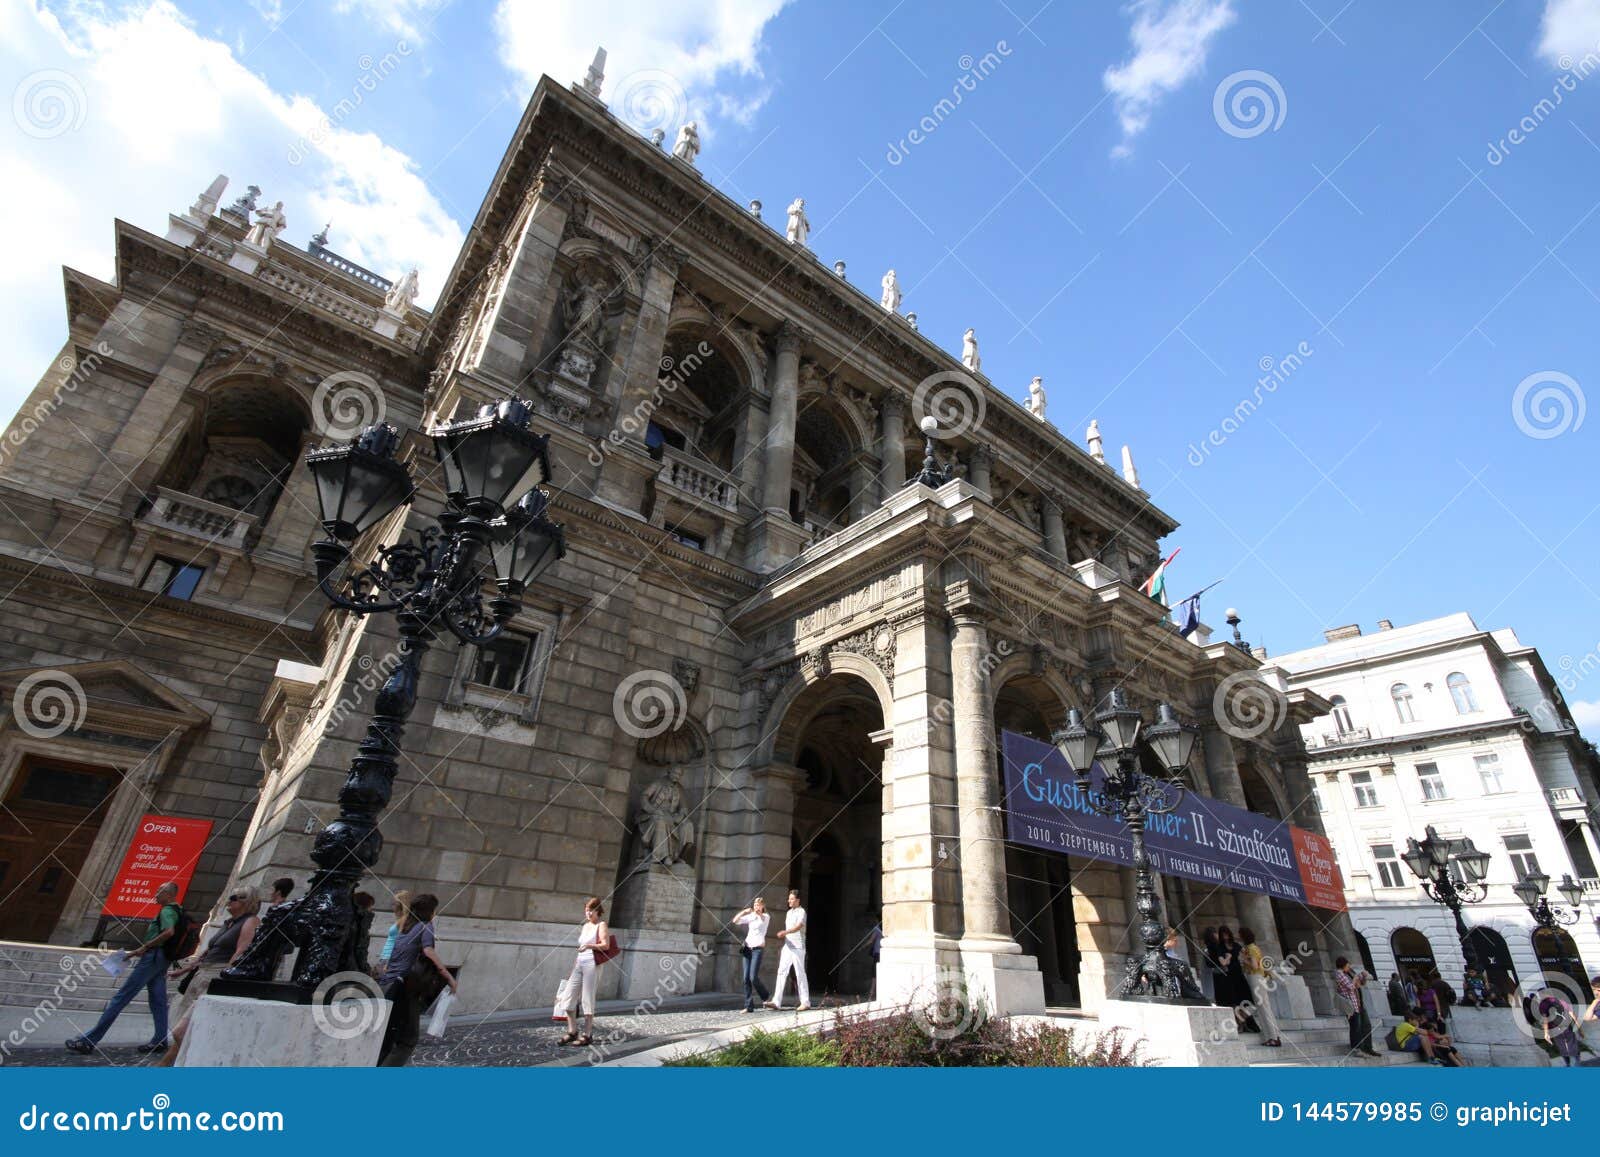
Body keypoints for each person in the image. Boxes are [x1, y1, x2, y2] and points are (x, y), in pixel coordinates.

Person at [66, 882, 183, 1054]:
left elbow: (169, 932)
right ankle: (160, 1040)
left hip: (153, 957)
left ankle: (89, 1041)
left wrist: (144, 948)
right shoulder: (176, 910)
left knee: (121, 998)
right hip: (161, 959)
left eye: (160, 891)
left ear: (169, 894)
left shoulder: (167, 911)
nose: (156, 893)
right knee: (158, 1001)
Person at [156, 887, 260, 1066]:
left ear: (245, 901)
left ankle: (171, 1065)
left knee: (182, 1031)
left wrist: (224, 978)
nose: (229, 900)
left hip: (215, 977)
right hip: (201, 975)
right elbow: (210, 951)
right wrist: (184, 970)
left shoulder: (250, 921)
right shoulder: (229, 923)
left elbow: (241, 951)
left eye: (233, 898)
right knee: (187, 1028)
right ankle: (173, 1065)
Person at [377, 893, 457, 1067]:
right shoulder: (426, 926)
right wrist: (448, 976)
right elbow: (428, 951)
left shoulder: (404, 925)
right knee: (408, 1038)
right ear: (430, 910)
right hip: (407, 986)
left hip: (389, 982)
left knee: (389, 1034)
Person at [557, 897, 607, 1047]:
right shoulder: (585, 926)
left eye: (590, 910)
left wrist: (589, 946)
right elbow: (581, 948)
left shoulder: (601, 925)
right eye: (586, 910)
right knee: (567, 999)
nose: (588, 913)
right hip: (580, 963)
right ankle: (573, 1032)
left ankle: (587, 1035)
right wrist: (573, 969)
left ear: (597, 911)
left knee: (587, 999)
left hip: (592, 964)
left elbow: (605, 945)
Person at [1237, 927, 1282, 1047]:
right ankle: (1273, 1036)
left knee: (1263, 1009)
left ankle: (1273, 1037)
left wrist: (1243, 959)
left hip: (1255, 978)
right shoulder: (1254, 948)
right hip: (1260, 978)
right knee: (1264, 1008)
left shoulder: (1250, 949)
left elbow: (1254, 965)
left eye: (1240, 935)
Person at [768, 889, 810, 1011]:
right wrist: (786, 935)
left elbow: (799, 926)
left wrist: (785, 932)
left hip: (798, 946)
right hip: (788, 946)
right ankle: (777, 1001)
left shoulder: (802, 912)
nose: (789, 901)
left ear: (797, 900)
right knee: (781, 971)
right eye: (789, 899)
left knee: (799, 973)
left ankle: (805, 1002)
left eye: (791, 899)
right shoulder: (788, 913)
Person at [1335, 956, 1381, 1057]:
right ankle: (1357, 1049)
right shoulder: (1339, 974)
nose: (1349, 967)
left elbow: (1360, 984)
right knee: (1356, 1027)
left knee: (1366, 1025)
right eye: (1347, 965)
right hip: (1351, 1005)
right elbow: (1351, 987)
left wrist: (1363, 976)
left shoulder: (1348, 973)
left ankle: (1368, 1048)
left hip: (1359, 1003)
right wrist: (1355, 979)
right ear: (1343, 965)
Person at [732, 897, 771, 1013]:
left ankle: (765, 996)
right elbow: (735, 921)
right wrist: (744, 912)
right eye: (755, 904)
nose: (756, 906)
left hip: (757, 950)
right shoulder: (751, 917)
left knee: (753, 977)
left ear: (763, 906)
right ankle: (749, 1005)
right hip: (747, 948)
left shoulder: (766, 917)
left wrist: (759, 913)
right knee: (745, 978)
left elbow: (763, 918)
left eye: (758, 904)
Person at [374, 890, 413, 978]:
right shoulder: (400, 919)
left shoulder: (404, 920)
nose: (392, 905)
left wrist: (388, 962)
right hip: (386, 957)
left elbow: (400, 941)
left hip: (389, 958)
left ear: (401, 905)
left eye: (394, 903)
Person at [1538, 990, 1582, 1066]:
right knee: (1572, 1045)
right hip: (1567, 1027)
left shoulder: (1543, 1005)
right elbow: (1572, 1015)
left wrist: (1546, 1033)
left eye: (1540, 994)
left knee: (1561, 1047)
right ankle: (1576, 1063)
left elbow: (1545, 1019)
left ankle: (1568, 1064)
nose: (1540, 996)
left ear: (1543, 994)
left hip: (1555, 1029)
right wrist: (1579, 1028)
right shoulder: (1562, 1001)